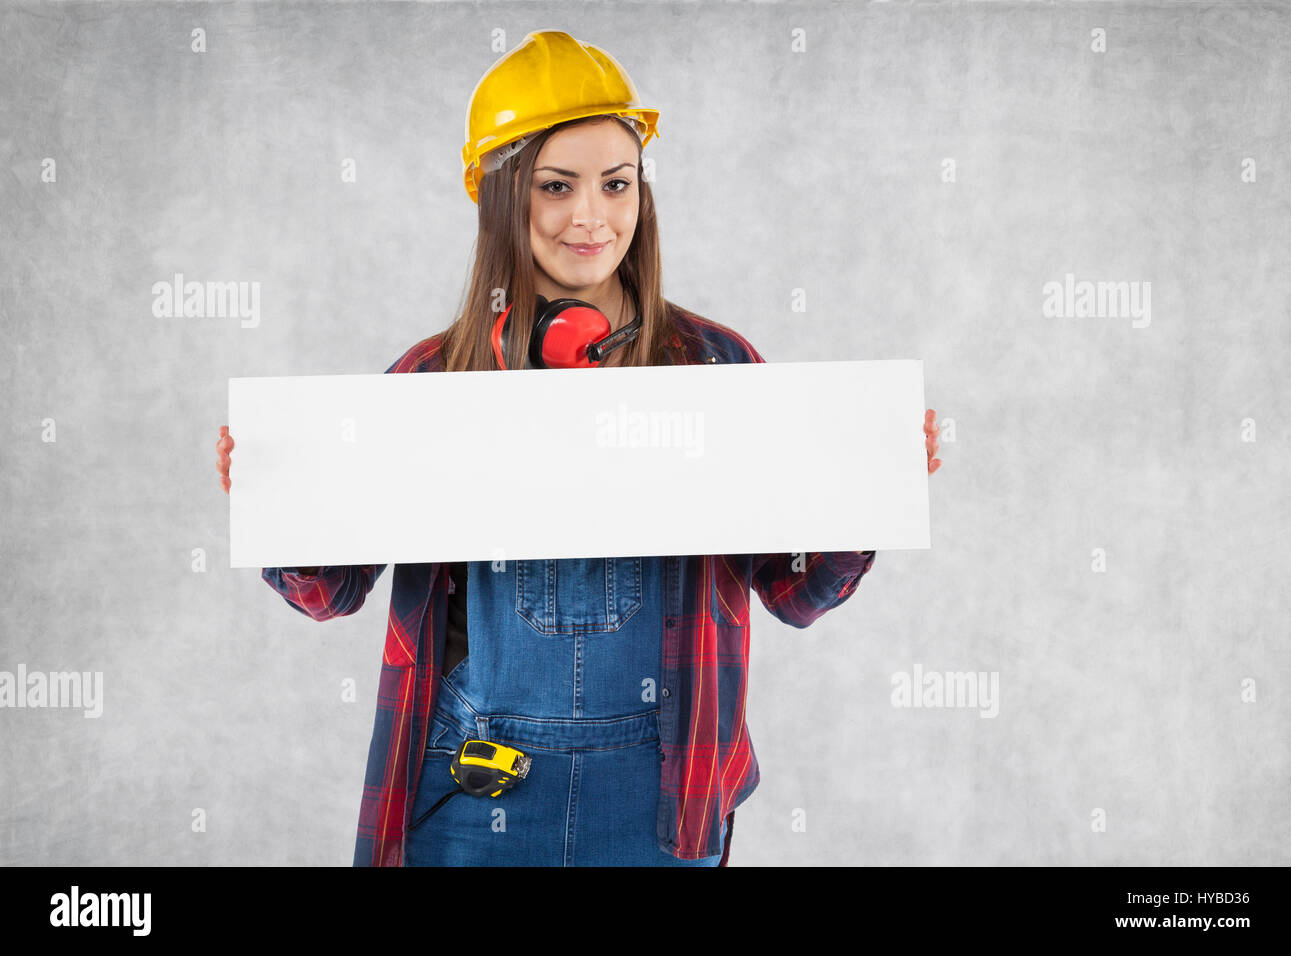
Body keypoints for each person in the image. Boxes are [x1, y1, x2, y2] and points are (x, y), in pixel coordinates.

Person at [215, 30, 943, 867]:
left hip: (663, 797)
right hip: (471, 793)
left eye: (616, 184)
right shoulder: (428, 381)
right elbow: (328, 593)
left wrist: (866, 493)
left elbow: (793, 595)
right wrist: (278, 501)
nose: (591, 216)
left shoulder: (717, 368)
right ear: (501, 195)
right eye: (556, 187)